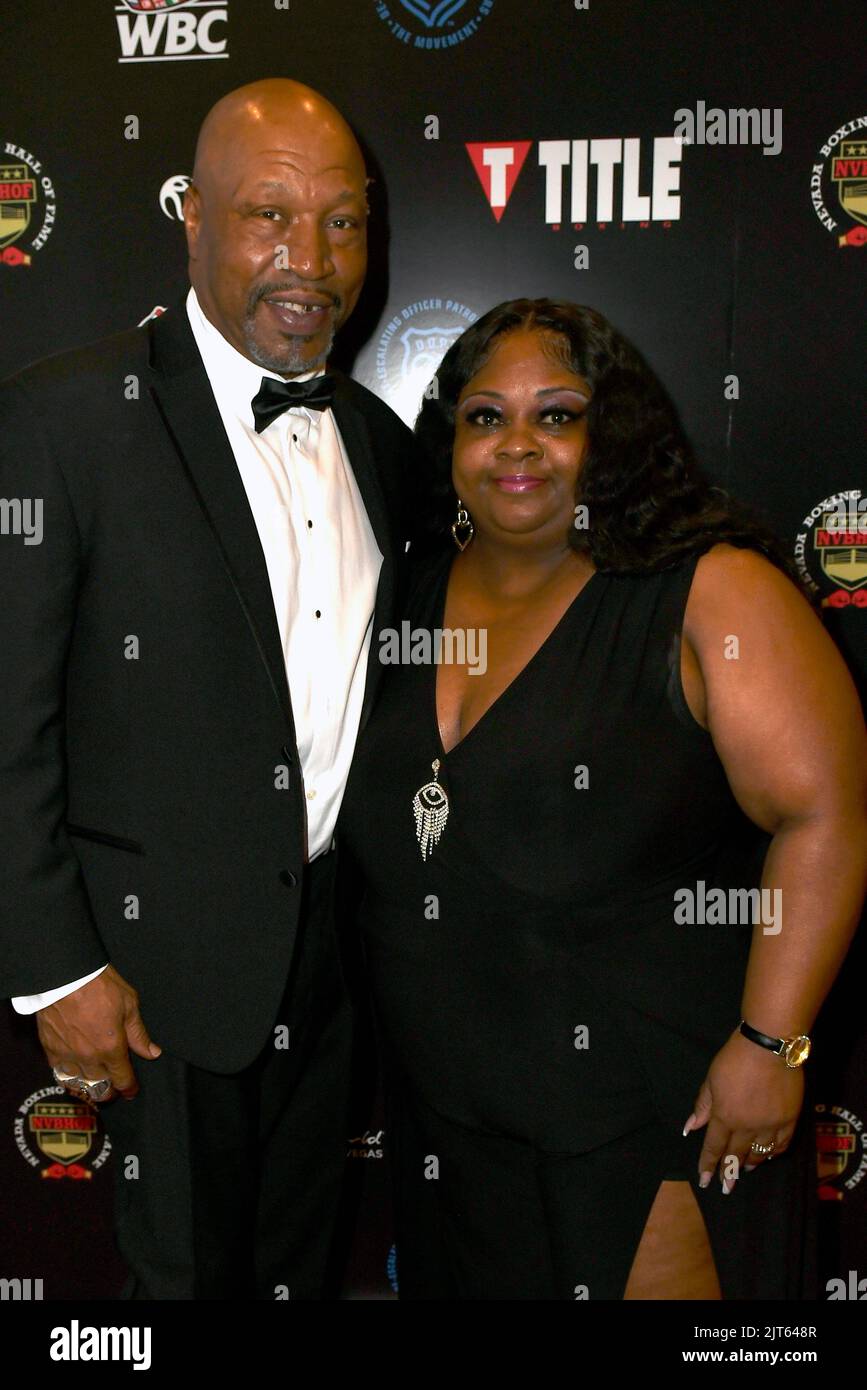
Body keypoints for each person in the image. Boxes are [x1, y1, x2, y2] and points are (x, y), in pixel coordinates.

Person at [337, 299, 867, 1300]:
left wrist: (772, 1042)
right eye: (485, 416)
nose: (517, 445)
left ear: (610, 434)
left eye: (559, 413)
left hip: (647, 1114)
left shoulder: (711, 592)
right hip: (448, 1126)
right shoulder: (403, 596)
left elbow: (824, 815)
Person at [0, 78, 419, 1299]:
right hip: (151, 986)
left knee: (289, 1269)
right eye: (270, 216)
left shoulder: (382, 447)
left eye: (343, 222)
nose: (313, 258)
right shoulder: (66, 420)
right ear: (191, 220)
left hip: (334, 973)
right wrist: (56, 967)